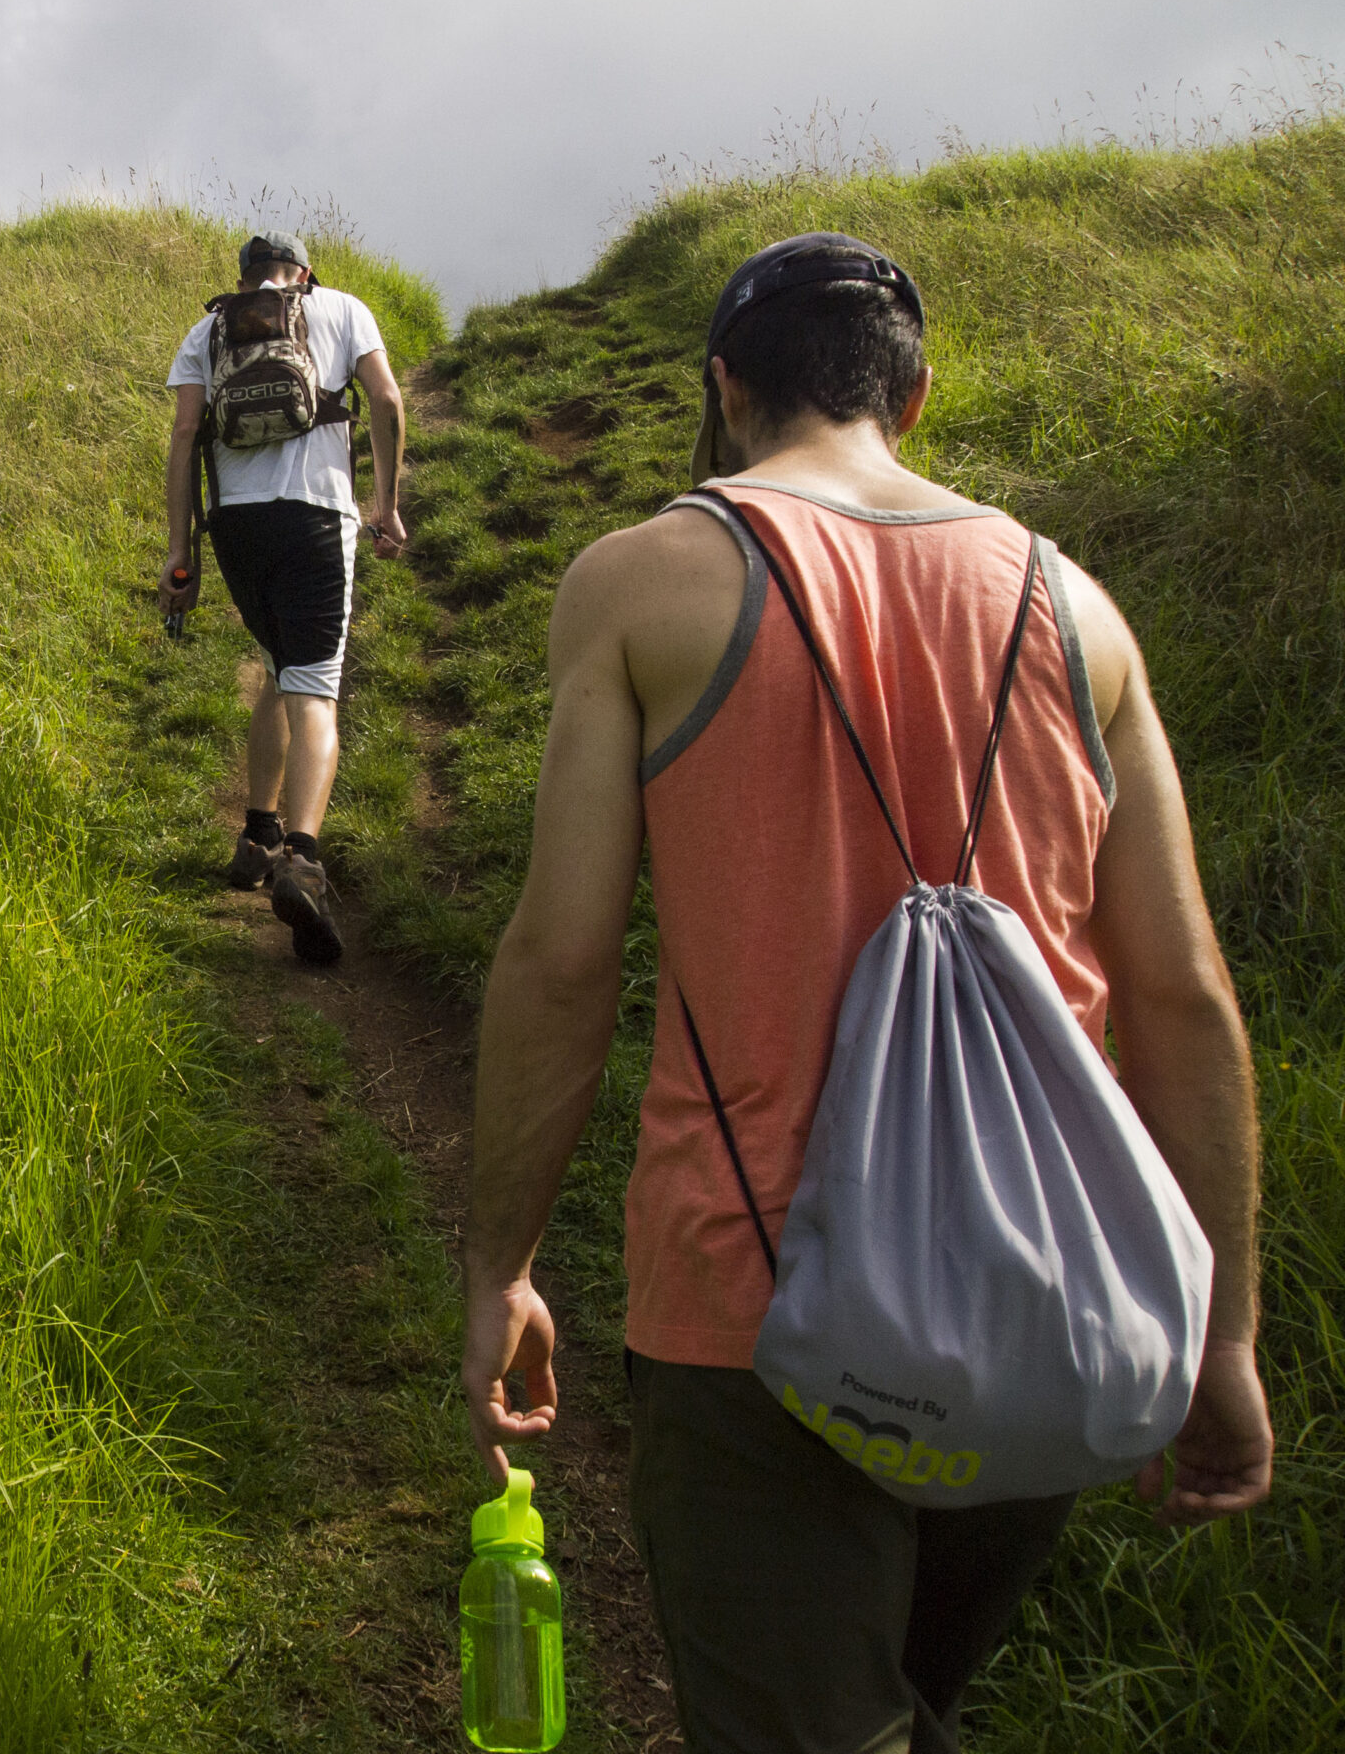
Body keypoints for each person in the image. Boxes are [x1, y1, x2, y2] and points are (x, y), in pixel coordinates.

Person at [459, 233, 1272, 1752]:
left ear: (724, 387)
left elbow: (562, 965)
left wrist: (499, 1262)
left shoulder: (645, 584)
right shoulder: (1078, 610)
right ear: (915, 390)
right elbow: (1183, 996)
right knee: (918, 1699)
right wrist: (1221, 1334)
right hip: (1041, 1302)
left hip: (745, 1306)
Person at [160, 231, 408, 964]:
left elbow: (182, 439)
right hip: (314, 515)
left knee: (277, 665)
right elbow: (387, 400)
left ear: (243, 280)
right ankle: (302, 862)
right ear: (302, 274)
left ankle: (258, 831)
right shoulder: (342, 308)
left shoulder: (207, 330)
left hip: (236, 525)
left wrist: (181, 552)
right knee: (317, 689)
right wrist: (386, 504)